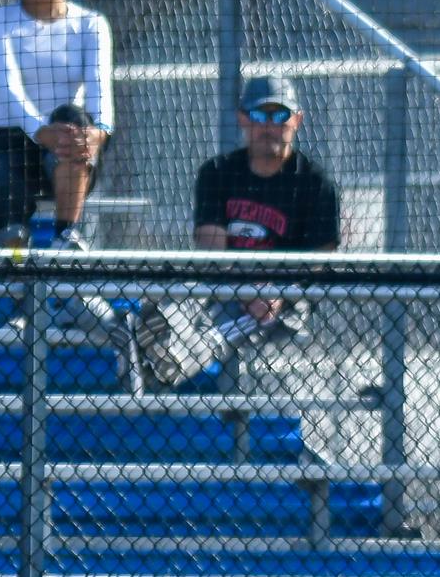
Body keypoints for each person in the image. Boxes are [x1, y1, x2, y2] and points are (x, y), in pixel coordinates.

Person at [125, 75, 339, 391]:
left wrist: (278, 292)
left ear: (297, 119)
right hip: (225, 282)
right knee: (179, 296)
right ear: (242, 119)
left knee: (238, 323)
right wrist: (244, 287)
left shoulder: (316, 183)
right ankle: (153, 343)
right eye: (259, 115)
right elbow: (212, 249)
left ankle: (170, 364)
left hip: (286, 300)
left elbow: (319, 261)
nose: (269, 125)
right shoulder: (217, 173)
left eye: (280, 115)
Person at [0, 0, 112, 252]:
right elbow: (9, 88)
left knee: (73, 117)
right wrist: (39, 131)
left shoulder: (91, 24)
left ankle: (66, 236)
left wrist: (99, 132)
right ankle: (15, 262)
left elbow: (100, 90)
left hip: (66, 146)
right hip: (9, 145)